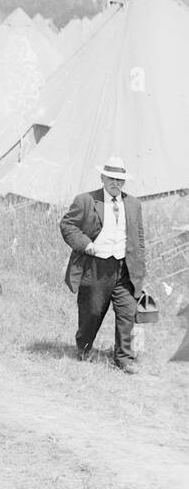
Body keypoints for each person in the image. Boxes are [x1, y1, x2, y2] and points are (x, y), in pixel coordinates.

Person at [60, 157, 147, 374]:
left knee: (127, 313)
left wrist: (140, 271)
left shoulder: (134, 204)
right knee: (93, 311)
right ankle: (84, 347)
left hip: (124, 269)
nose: (115, 183)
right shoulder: (86, 200)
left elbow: (139, 238)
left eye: (120, 179)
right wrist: (85, 244)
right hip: (96, 267)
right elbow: (67, 225)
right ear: (102, 178)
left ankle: (124, 358)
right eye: (111, 178)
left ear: (124, 182)